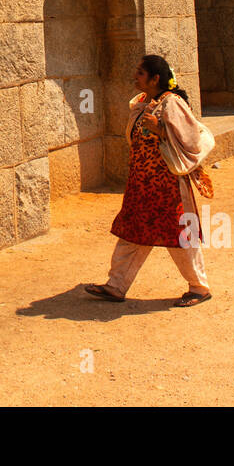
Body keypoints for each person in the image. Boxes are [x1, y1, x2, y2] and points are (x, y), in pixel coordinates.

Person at [84, 54, 212, 307]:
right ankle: (116, 285)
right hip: (142, 183)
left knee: (180, 236)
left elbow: (192, 142)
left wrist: (161, 129)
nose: (135, 77)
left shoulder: (172, 104)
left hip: (168, 187)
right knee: (132, 231)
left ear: (155, 78)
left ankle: (199, 287)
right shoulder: (143, 103)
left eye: (140, 73)